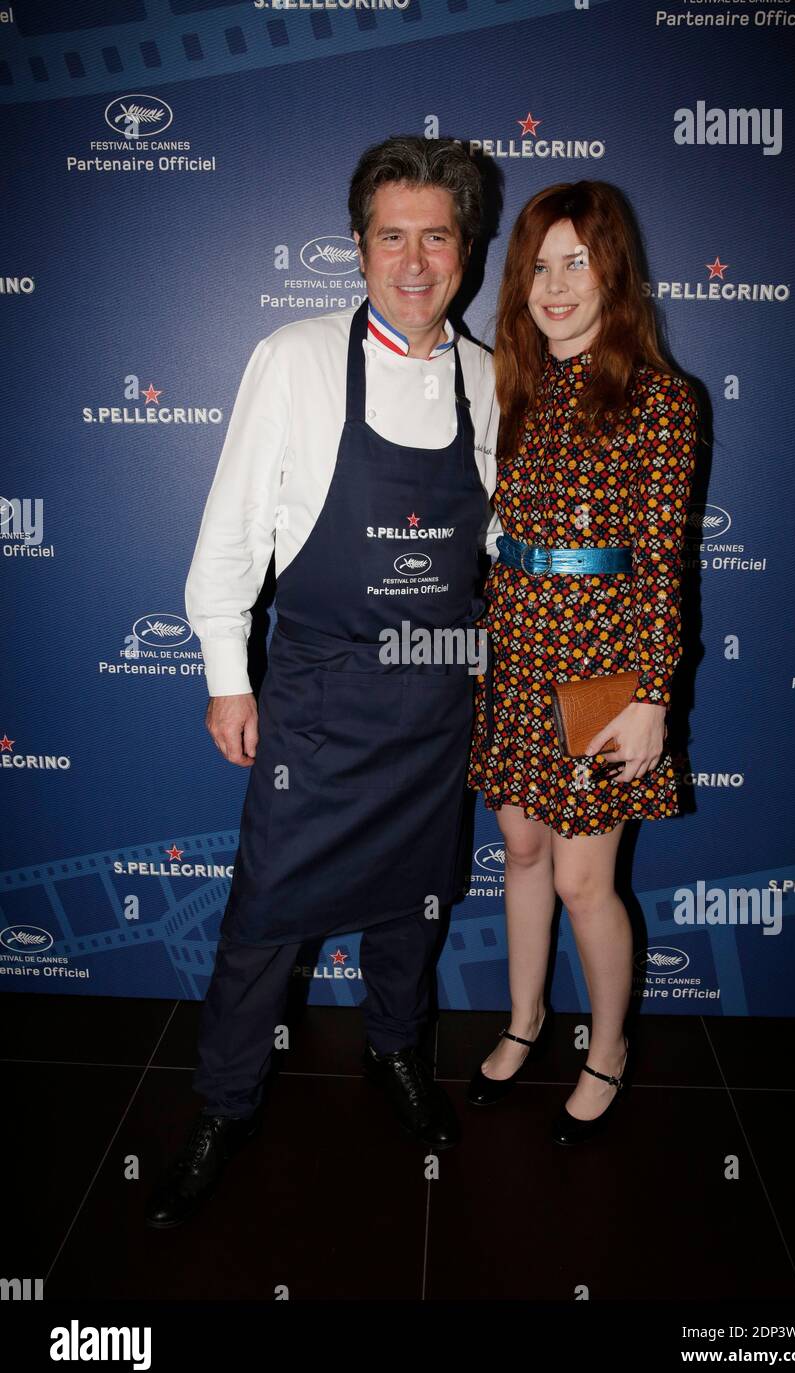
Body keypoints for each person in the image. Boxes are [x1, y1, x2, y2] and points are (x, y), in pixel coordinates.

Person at [145, 136, 500, 1228]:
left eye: (433, 235)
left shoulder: (490, 377)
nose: (411, 258)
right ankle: (225, 1100)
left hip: (440, 688)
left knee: (415, 904)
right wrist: (222, 668)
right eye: (389, 235)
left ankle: (395, 1053)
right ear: (357, 247)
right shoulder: (292, 356)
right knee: (263, 922)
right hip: (320, 684)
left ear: (464, 249)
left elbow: (502, 540)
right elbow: (236, 526)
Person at [465, 181, 700, 1145]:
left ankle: (607, 1048)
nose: (555, 287)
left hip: (601, 671)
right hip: (516, 652)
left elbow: (663, 562)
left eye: (578, 262)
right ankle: (525, 1024)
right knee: (520, 852)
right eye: (539, 267)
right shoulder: (509, 384)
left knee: (581, 883)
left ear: (615, 271)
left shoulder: (660, 399)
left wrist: (652, 695)